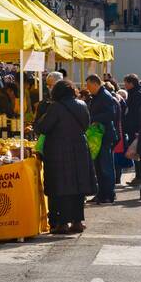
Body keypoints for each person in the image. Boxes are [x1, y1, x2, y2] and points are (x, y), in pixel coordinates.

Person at [39, 79, 97, 233]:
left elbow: (43, 128)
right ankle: (77, 221)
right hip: (79, 148)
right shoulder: (82, 105)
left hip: (58, 149)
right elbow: (86, 124)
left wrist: (41, 117)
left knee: (61, 186)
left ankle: (62, 222)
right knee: (78, 185)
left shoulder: (55, 107)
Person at [84, 74, 118, 205]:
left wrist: (95, 119)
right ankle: (101, 193)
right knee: (99, 167)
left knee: (105, 167)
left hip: (105, 136)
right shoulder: (98, 96)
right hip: (98, 136)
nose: (87, 88)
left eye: (88, 85)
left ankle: (108, 195)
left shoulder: (105, 96)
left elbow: (111, 114)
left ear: (95, 84)